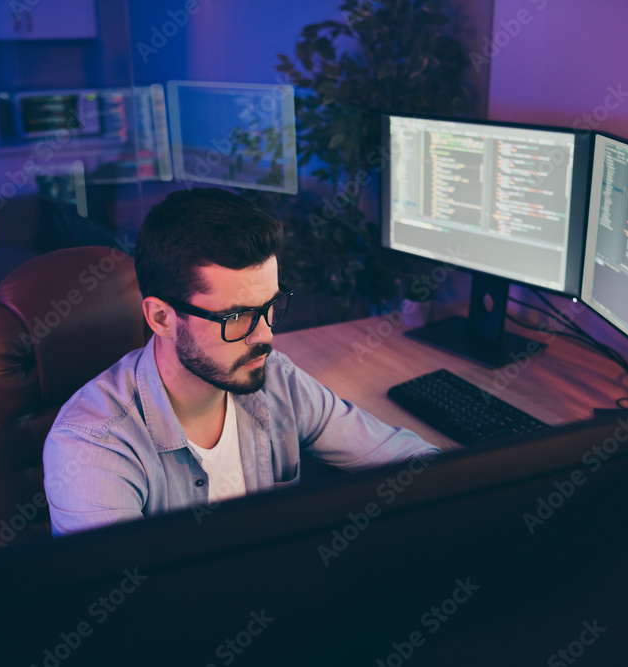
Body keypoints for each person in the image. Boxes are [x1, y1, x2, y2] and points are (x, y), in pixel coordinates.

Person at [43, 187, 441, 535]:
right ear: (162, 318)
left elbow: (415, 465)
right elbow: (133, 613)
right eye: (237, 318)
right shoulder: (93, 446)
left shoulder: (275, 379)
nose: (265, 336)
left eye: (270, 306)